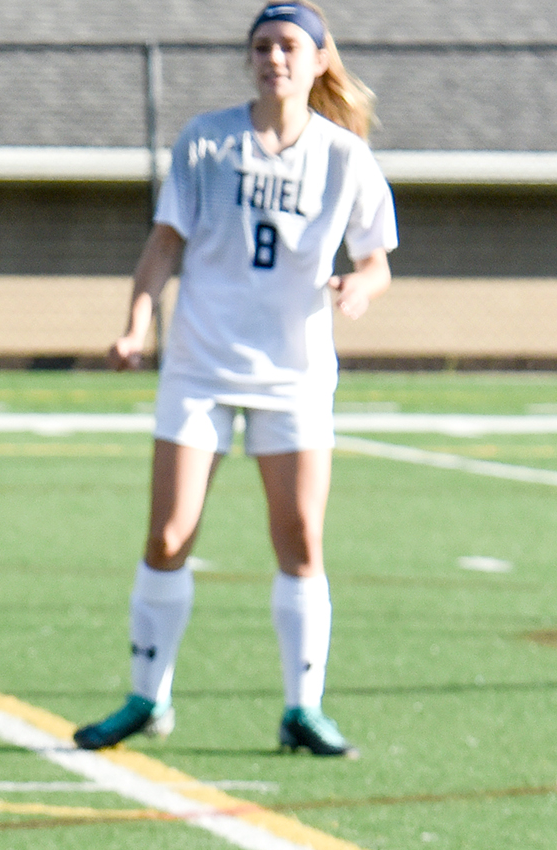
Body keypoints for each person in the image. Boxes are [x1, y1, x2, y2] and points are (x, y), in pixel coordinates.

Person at [74, 2, 396, 757]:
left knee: (301, 539)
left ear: (319, 60)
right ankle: (147, 698)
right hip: (201, 366)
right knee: (169, 532)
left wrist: (360, 287)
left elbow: (378, 258)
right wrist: (137, 322)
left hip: (295, 373)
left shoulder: (344, 155)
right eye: (261, 46)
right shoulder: (207, 141)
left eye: (288, 46)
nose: (273, 58)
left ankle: (301, 709)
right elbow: (164, 244)